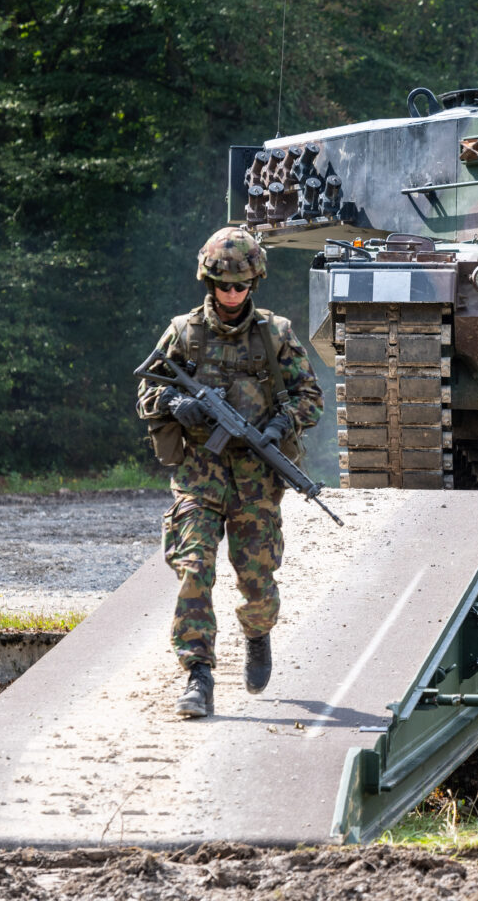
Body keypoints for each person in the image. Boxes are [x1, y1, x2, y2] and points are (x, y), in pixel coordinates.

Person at [136, 226, 324, 718]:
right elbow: (147, 391)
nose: (232, 294)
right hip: (200, 472)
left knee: (257, 581)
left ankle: (257, 633)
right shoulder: (183, 332)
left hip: (256, 478)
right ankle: (198, 675)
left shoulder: (275, 333)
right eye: (224, 285)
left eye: (241, 286)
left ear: (254, 284)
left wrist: (284, 420)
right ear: (209, 282)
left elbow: (311, 397)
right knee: (194, 568)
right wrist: (176, 403)